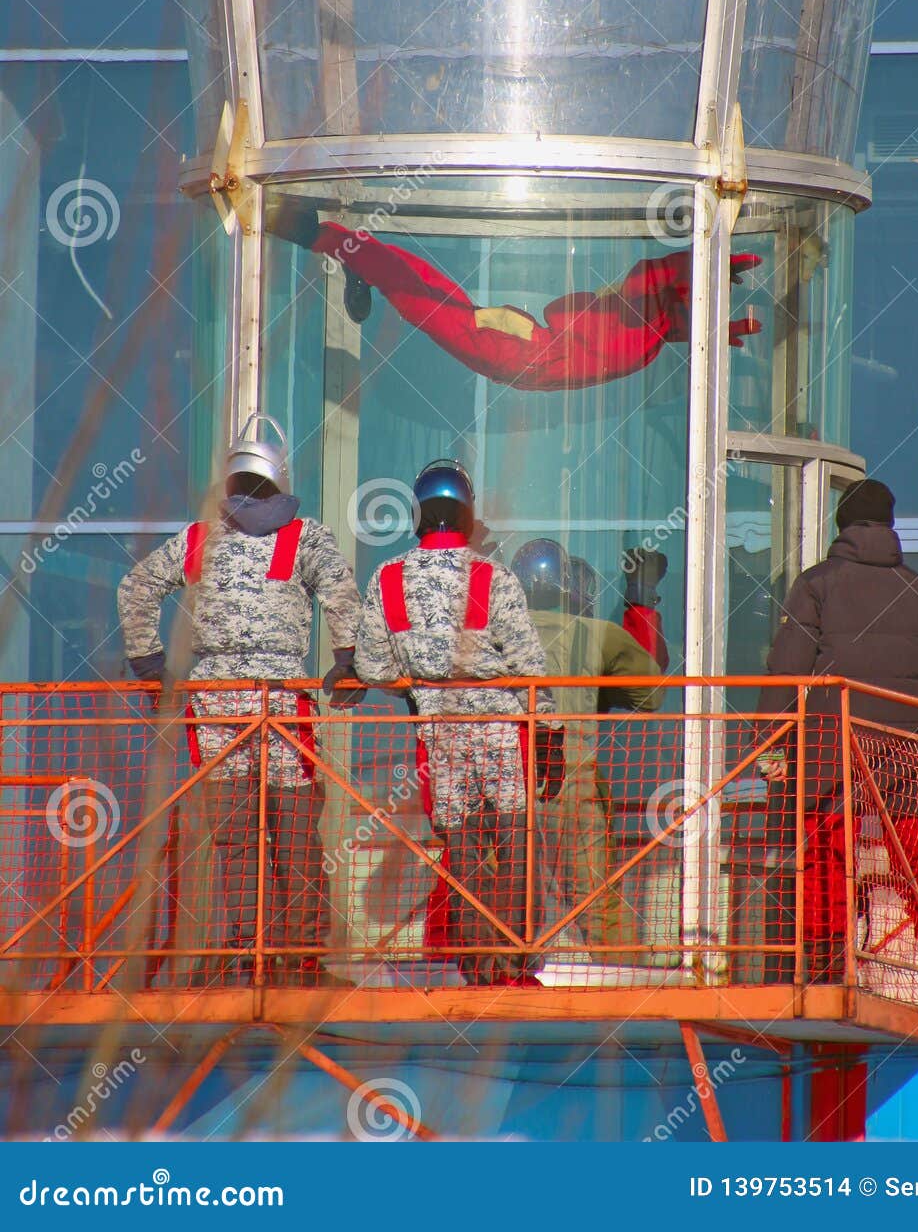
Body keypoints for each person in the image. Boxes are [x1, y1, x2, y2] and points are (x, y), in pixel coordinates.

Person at [117, 416, 363, 987]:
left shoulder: (200, 538)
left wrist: (153, 667)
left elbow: (136, 586)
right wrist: (347, 661)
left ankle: (248, 956)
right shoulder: (305, 536)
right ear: (278, 478)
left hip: (215, 705)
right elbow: (341, 593)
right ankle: (299, 958)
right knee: (297, 829)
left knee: (233, 836)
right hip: (282, 699)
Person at [353, 461, 564, 987]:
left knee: (463, 848)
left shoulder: (389, 579)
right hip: (500, 731)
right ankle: (516, 962)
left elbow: (374, 666)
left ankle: (476, 962)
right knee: (516, 846)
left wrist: (420, 686)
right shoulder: (492, 577)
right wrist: (551, 738)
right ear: (467, 516)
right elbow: (528, 669)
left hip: (440, 736)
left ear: (418, 516)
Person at [757, 478, 918, 989]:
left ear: (841, 523)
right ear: (890, 524)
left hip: (832, 743)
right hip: (909, 747)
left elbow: (788, 670)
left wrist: (769, 742)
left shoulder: (817, 584)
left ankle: (827, 966)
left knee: (827, 850)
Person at [264, 194, 761, 392]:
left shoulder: (647, 317)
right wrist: (713, 306)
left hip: (526, 352)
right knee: (427, 295)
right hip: (526, 354)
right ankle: (354, 256)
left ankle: (319, 237)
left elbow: (649, 285)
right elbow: (661, 304)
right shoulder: (649, 333)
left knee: (421, 293)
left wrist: (709, 268)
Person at [512, 539, 668, 963]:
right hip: (572, 781)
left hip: (502, 781)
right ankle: (627, 996)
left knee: (501, 900)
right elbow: (651, 693)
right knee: (596, 902)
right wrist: (640, 602)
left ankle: (494, 982)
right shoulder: (597, 635)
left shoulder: (490, 633)